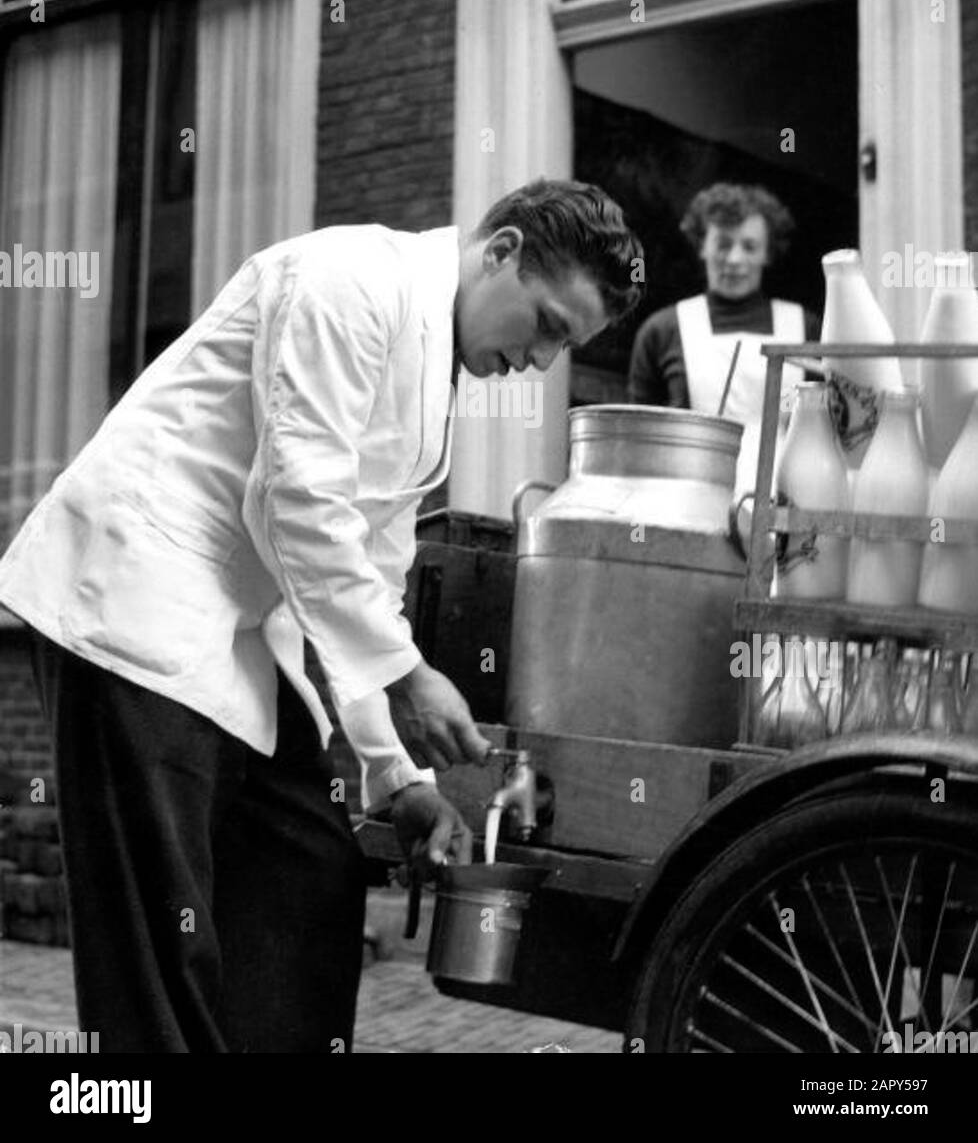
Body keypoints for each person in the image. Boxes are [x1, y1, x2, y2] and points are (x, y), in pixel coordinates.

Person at [0, 178, 642, 1054]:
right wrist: (407, 676)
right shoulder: (348, 280)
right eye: (547, 326)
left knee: (311, 870)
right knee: (160, 947)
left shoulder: (432, 376)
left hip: (229, 638)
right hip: (133, 605)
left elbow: (369, 575)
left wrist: (398, 779)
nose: (540, 362)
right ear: (502, 253)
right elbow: (298, 499)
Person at [627, 182, 819, 498]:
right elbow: (639, 441)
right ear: (702, 245)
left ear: (767, 254)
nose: (734, 258)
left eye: (749, 246)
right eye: (723, 244)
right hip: (688, 503)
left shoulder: (804, 327)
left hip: (787, 508)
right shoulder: (663, 331)